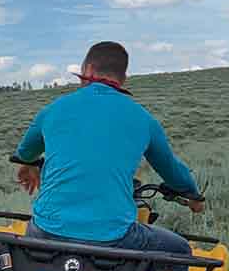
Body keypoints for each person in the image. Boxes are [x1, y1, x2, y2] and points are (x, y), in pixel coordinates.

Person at [12, 41, 205, 256]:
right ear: (123, 78)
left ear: (88, 69)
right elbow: (172, 170)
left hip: (44, 234)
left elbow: (25, 152)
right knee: (181, 249)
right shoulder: (143, 118)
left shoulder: (52, 109)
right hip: (114, 239)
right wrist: (194, 196)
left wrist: (29, 165)